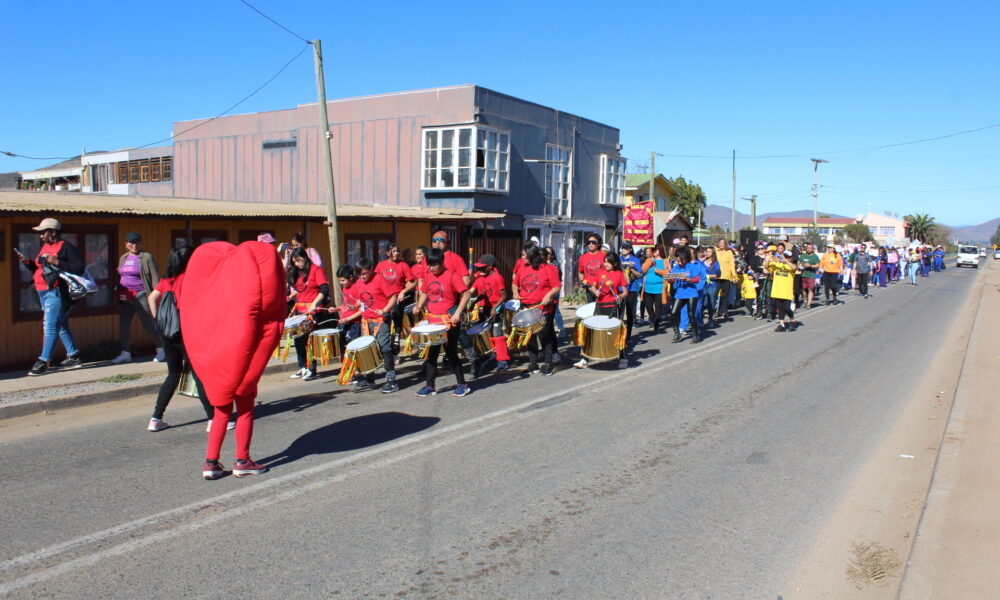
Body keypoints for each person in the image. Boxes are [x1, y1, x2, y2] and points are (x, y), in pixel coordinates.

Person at [146, 246, 218, 432]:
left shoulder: (166, 280)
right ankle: (212, 418)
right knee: (198, 373)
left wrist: (158, 323)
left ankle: (156, 418)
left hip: (168, 333)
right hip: (187, 331)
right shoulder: (192, 280)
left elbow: (152, 298)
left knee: (173, 374)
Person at [21, 218, 85, 376]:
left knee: (50, 326)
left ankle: (43, 361)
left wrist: (56, 261)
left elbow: (79, 267)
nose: (41, 236)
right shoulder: (46, 246)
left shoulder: (66, 247)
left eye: (44, 232)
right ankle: (74, 356)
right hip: (42, 290)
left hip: (56, 291)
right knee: (61, 324)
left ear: (53, 232)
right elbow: (40, 268)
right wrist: (28, 263)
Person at [414, 248, 472, 397]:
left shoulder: (452, 275)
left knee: (451, 352)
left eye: (434, 265)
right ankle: (430, 386)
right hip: (433, 321)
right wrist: (419, 305)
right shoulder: (429, 275)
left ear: (441, 263)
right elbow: (425, 292)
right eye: (430, 265)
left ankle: (462, 385)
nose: (431, 268)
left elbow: (466, 294)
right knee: (432, 354)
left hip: (448, 320)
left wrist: (458, 313)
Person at [346, 257, 399, 393]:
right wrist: (355, 305)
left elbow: (393, 297)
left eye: (364, 273)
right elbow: (362, 299)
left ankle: (391, 380)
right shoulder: (358, 283)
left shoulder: (380, 279)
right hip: (366, 321)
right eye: (359, 274)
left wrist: (385, 310)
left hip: (381, 320)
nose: (362, 277)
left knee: (384, 348)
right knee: (366, 349)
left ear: (371, 270)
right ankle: (369, 379)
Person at [111, 232, 164, 364]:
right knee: (123, 326)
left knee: (149, 324)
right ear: (126, 244)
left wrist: (157, 296)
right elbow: (120, 274)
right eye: (132, 242)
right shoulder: (123, 258)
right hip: (125, 295)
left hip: (141, 294)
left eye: (138, 242)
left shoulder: (146, 257)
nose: (135, 245)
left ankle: (162, 350)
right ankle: (125, 353)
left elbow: (155, 278)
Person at [575, 251, 629, 368]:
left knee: (616, 332)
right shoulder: (600, 272)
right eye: (605, 262)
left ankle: (623, 357)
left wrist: (619, 296)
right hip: (599, 306)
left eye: (609, 262)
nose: (606, 264)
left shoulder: (619, 274)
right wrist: (596, 292)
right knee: (593, 331)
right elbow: (593, 286)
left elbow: (625, 292)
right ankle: (585, 359)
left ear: (614, 263)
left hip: (612, 307)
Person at [512, 247, 561, 375]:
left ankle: (548, 364)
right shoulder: (523, 268)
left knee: (544, 335)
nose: (522, 258)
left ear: (532, 256)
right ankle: (533, 364)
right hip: (526, 307)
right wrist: (515, 292)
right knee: (530, 336)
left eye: (524, 255)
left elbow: (556, 286)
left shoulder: (549, 268)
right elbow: (514, 283)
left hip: (542, 307)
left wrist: (548, 295)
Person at [286, 248, 329, 381]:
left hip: (312, 311)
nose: (298, 264)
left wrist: (314, 303)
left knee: (309, 340)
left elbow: (324, 289)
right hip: (300, 310)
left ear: (305, 257)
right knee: (298, 339)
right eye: (295, 262)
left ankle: (312, 368)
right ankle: (303, 366)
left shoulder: (316, 270)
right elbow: (298, 289)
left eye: (299, 260)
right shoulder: (297, 272)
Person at [471, 254, 511, 371]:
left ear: (489, 267)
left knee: (497, 334)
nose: (479, 271)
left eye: (481, 268)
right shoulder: (481, 278)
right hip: (485, 309)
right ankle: (491, 355)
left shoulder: (498, 278)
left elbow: (504, 296)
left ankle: (502, 360)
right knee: (487, 334)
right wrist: (474, 302)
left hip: (497, 309)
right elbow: (477, 292)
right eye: (478, 268)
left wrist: (494, 308)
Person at [376, 244, 416, 352]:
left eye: (398, 251)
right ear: (387, 253)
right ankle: (384, 350)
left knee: (396, 326)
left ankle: (395, 351)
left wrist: (403, 291)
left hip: (397, 300)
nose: (396, 253)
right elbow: (375, 280)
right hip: (383, 300)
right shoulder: (381, 265)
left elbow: (413, 282)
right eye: (393, 251)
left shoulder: (403, 265)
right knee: (384, 325)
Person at [668, 248, 702, 344]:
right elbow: (673, 279)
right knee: (674, 313)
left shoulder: (691, 266)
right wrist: (669, 278)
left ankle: (695, 335)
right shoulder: (676, 267)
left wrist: (688, 279)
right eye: (677, 260)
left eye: (680, 260)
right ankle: (677, 334)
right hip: (680, 294)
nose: (679, 262)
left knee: (691, 314)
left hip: (691, 293)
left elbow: (697, 279)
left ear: (685, 258)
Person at [768, 250, 799, 332]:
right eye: (785, 256)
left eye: (788, 257)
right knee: (780, 309)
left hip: (787, 291)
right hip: (777, 290)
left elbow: (794, 268)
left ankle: (792, 320)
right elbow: (766, 267)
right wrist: (769, 259)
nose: (786, 258)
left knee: (787, 308)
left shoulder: (791, 266)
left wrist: (786, 261)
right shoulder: (777, 265)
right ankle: (782, 324)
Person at [619, 242, 644, 343]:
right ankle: (618, 334)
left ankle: (628, 335)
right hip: (620, 289)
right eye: (622, 248)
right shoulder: (618, 259)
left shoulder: (635, 260)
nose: (623, 250)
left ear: (630, 249)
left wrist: (632, 268)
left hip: (631, 289)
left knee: (629, 313)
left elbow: (640, 275)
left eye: (625, 248)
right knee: (619, 312)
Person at [641, 244, 668, 331]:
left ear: (660, 250)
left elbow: (668, 273)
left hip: (659, 288)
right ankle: (652, 319)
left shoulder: (665, 261)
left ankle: (656, 322)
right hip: (648, 287)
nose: (654, 251)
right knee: (648, 306)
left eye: (656, 250)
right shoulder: (649, 260)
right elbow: (643, 270)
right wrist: (650, 262)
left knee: (658, 307)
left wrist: (659, 271)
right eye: (653, 250)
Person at [578, 233, 606, 303]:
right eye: (588, 242)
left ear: (598, 244)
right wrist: (582, 282)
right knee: (591, 309)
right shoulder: (583, 257)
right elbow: (581, 271)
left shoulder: (604, 256)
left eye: (593, 242)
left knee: (601, 310)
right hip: (589, 288)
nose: (591, 244)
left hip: (602, 287)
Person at [715, 238, 738, 320]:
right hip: (716, 276)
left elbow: (732, 264)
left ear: (725, 244)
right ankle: (714, 311)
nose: (721, 244)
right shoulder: (715, 251)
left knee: (724, 295)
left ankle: (724, 311)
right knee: (715, 294)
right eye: (720, 243)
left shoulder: (729, 252)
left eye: (723, 243)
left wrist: (734, 274)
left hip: (726, 276)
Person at [798, 243, 820, 309]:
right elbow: (799, 263)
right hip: (803, 274)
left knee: (810, 289)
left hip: (811, 275)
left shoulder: (815, 256)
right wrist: (800, 266)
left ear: (813, 249)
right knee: (804, 289)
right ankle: (805, 301)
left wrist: (810, 266)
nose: (809, 249)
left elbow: (818, 265)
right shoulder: (803, 255)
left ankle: (808, 304)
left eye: (810, 248)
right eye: (808, 248)